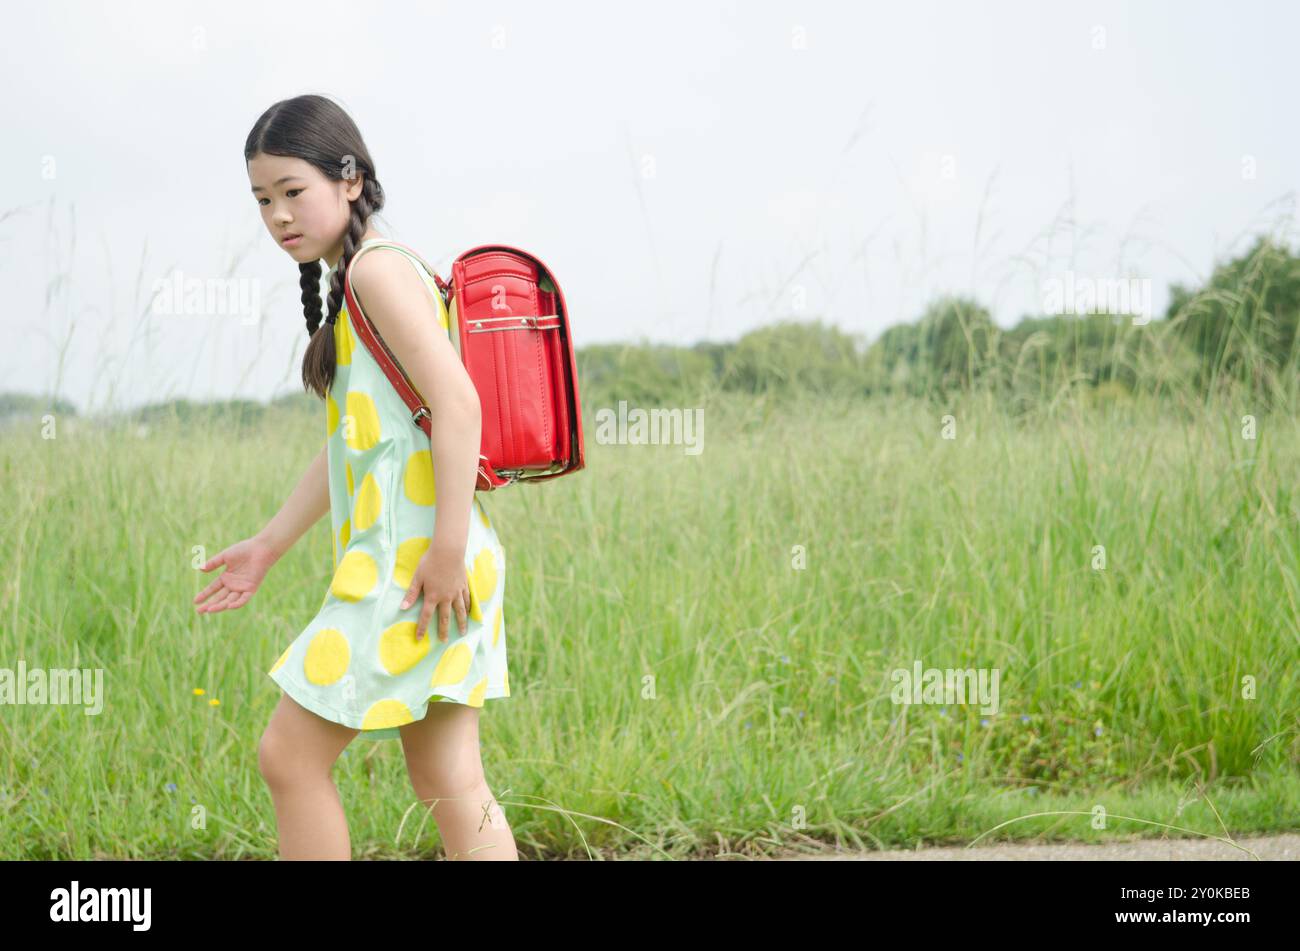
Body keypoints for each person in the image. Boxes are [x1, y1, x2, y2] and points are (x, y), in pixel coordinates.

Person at [193, 94, 516, 861]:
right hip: (429, 559)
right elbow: (352, 448)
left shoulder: (375, 271)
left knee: (289, 754)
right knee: (448, 776)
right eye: (262, 200)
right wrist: (269, 544)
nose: (277, 216)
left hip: (416, 564)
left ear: (348, 178)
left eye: (292, 192)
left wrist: (444, 549)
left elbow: (459, 403)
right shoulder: (359, 281)